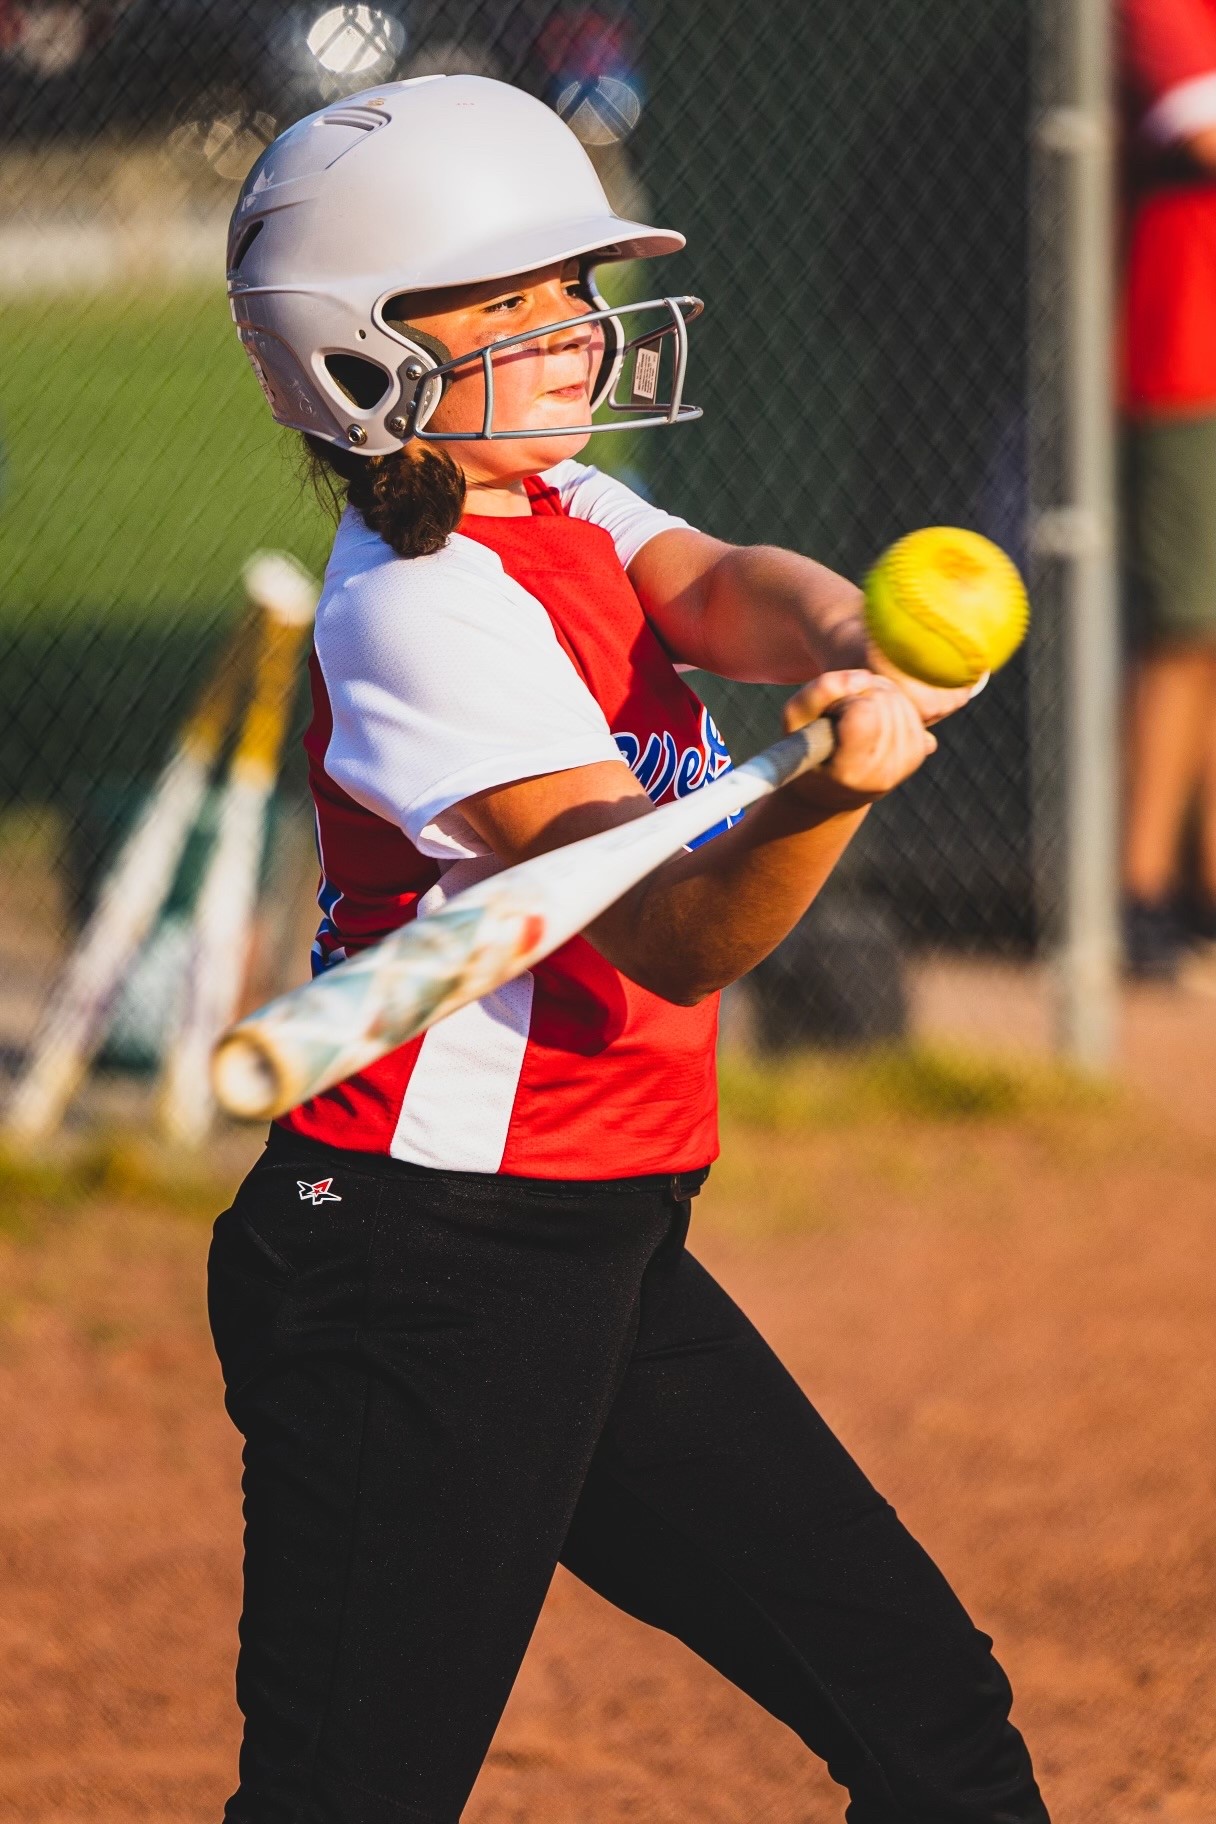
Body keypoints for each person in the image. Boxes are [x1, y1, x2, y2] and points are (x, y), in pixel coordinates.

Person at [211, 74, 1050, 1824]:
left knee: (930, 1720)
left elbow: (727, 582)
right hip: (419, 1268)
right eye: (507, 301)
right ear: (367, 364)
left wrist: (853, 640)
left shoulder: (558, 505)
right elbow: (669, 935)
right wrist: (829, 794)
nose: (573, 328)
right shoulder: (418, 611)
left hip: (599, 1236)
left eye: (571, 284)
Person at [1121, 0, 1216, 978]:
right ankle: (1138, 894)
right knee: (1183, 629)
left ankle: (1201, 893)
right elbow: (1200, 127)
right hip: (1188, 361)